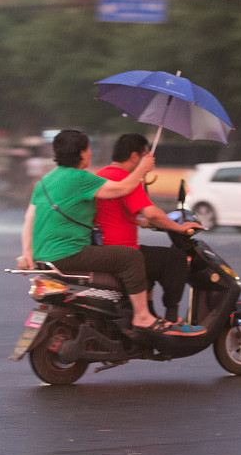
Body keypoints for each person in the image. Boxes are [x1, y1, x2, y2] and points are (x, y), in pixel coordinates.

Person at [19, 129, 175, 334]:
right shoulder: (80, 178)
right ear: (82, 153)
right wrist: (142, 168)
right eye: (89, 149)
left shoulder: (44, 182)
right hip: (69, 254)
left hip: (43, 256)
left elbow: (29, 219)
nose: (90, 153)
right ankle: (142, 316)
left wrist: (27, 254)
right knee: (131, 257)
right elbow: (123, 188)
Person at [95, 133, 203, 331]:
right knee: (176, 259)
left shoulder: (101, 174)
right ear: (135, 156)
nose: (151, 161)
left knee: (152, 261)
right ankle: (172, 319)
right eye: (147, 155)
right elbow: (152, 212)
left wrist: (140, 222)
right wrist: (179, 227)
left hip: (103, 250)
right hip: (123, 252)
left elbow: (110, 211)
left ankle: (151, 313)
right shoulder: (126, 179)